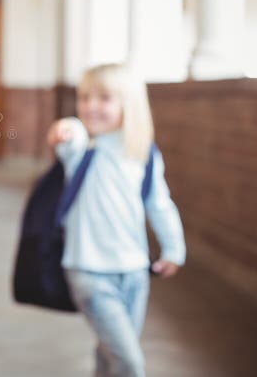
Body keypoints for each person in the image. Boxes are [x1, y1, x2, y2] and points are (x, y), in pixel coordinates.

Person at [47, 63, 186, 377]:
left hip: (134, 273)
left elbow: (159, 204)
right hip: (88, 271)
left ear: (130, 104)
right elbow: (68, 134)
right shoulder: (81, 149)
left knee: (110, 351)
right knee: (130, 363)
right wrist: (67, 126)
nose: (91, 106)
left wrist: (173, 249)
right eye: (85, 97)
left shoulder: (144, 155)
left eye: (104, 98)